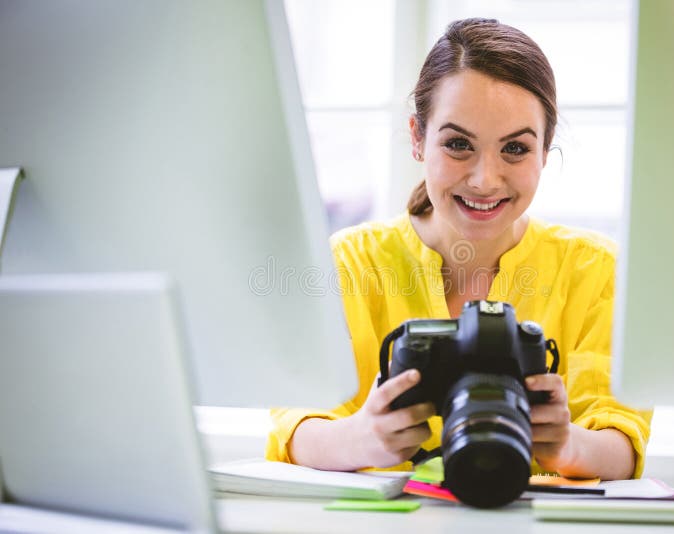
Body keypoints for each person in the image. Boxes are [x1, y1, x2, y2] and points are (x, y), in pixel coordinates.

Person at [266, 18, 651, 480]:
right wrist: (361, 437)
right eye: (458, 144)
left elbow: (623, 444)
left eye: (515, 149)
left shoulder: (596, 270)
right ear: (416, 137)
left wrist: (568, 444)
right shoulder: (348, 263)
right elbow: (296, 428)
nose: (485, 179)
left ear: (545, 151)